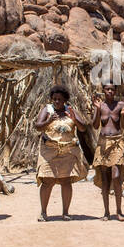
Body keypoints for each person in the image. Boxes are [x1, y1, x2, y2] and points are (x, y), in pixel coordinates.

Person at [33, 85, 88, 221]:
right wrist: (48, 121)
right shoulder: (47, 110)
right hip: (49, 151)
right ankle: (43, 212)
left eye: (59, 99)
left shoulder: (70, 110)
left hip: (67, 151)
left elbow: (82, 128)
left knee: (66, 181)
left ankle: (65, 212)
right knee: (47, 181)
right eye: (54, 99)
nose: (57, 101)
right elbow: (37, 126)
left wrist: (74, 119)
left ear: (65, 100)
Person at [92, 83, 124, 221]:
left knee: (116, 176)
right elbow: (96, 125)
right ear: (103, 90)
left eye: (112, 89)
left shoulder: (120, 105)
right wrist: (96, 110)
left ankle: (119, 210)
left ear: (115, 91)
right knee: (105, 178)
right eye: (107, 89)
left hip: (116, 143)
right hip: (103, 143)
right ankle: (106, 212)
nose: (109, 91)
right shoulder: (100, 105)